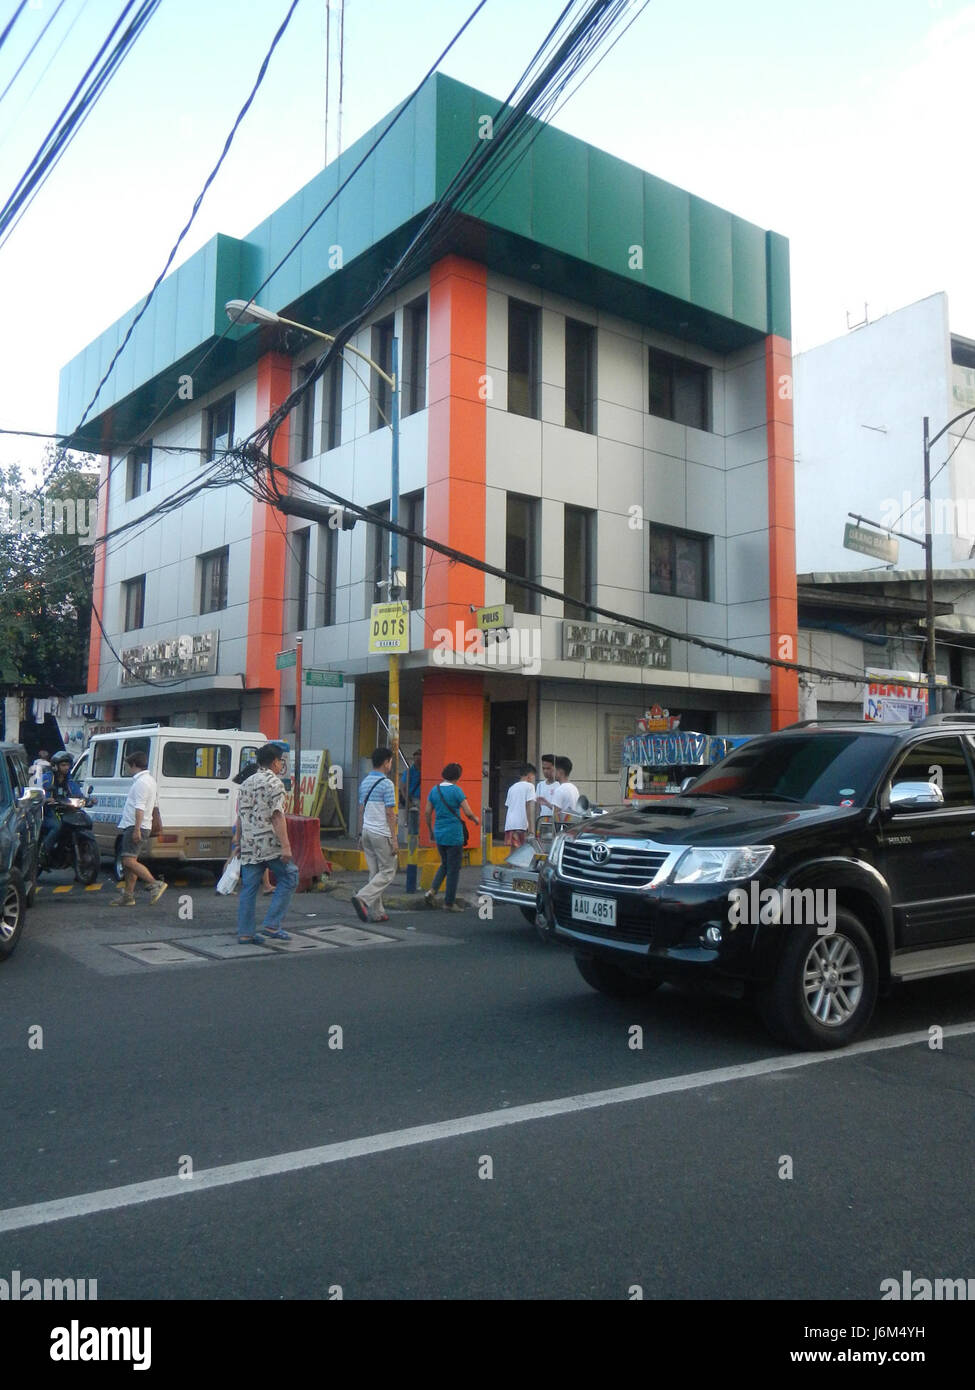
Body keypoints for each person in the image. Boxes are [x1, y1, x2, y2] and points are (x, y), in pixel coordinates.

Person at [235, 743, 299, 944]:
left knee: (249, 888)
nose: (281, 765)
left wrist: (238, 841)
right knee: (290, 876)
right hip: (269, 843)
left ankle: (245, 933)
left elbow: (240, 815)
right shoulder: (275, 784)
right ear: (274, 762)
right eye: (280, 761)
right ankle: (272, 924)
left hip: (248, 843)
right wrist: (286, 846)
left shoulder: (246, 783)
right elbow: (277, 816)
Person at [111, 750, 168, 908]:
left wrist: (136, 829)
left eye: (128, 766)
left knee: (127, 860)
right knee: (131, 861)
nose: (128, 769)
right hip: (142, 825)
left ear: (134, 765)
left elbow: (140, 808)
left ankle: (154, 884)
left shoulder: (141, 783)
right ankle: (128, 896)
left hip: (136, 825)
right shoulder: (150, 780)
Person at [352, 747, 398, 924]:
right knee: (387, 871)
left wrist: (360, 834)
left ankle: (378, 912)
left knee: (375, 873)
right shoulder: (387, 784)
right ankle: (362, 897)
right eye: (391, 762)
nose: (391, 765)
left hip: (367, 832)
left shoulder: (365, 782)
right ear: (386, 762)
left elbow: (361, 809)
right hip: (380, 833)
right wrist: (394, 840)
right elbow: (389, 813)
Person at [425, 763, 479, 912]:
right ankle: (449, 903)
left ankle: (432, 891)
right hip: (454, 835)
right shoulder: (456, 791)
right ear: (458, 776)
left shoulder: (434, 790)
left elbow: (427, 812)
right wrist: (475, 819)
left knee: (445, 864)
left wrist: (430, 830)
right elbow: (467, 812)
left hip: (439, 834)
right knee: (453, 869)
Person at [227, 763, 272, 895]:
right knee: (254, 856)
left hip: (243, 828)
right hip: (244, 828)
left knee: (238, 857)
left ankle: (225, 885)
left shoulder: (245, 789)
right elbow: (242, 814)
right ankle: (226, 885)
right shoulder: (248, 790)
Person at [41, 751, 85, 863]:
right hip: (48, 812)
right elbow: (38, 792)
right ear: (55, 766)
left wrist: (87, 800)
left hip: (67, 810)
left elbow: (77, 793)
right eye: (63, 765)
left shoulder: (69, 780)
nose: (66, 768)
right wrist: (46, 799)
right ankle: (43, 851)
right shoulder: (46, 778)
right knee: (57, 826)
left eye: (68, 765)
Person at [503, 764, 536, 847]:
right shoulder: (530, 786)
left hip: (509, 825)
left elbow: (508, 806)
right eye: (533, 776)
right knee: (522, 853)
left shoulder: (512, 788)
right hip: (522, 825)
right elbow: (529, 807)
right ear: (529, 775)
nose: (533, 779)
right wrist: (532, 829)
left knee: (513, 853)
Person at [552, 755, 581, 825]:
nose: (552, 773)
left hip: (563, 830)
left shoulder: (559, 790)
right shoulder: (574, 788)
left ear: (560, 772)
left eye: (554, 770)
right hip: (573, 827)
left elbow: (556, 817)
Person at [534, 754, 558, 834]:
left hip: (556, 825)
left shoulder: (559, 785)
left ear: (555, 768)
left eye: (548, 768)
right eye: (543, 768)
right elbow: (537, 807)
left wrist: (548, 804)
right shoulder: (540, 785)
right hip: (543, 824)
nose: (545, 771)